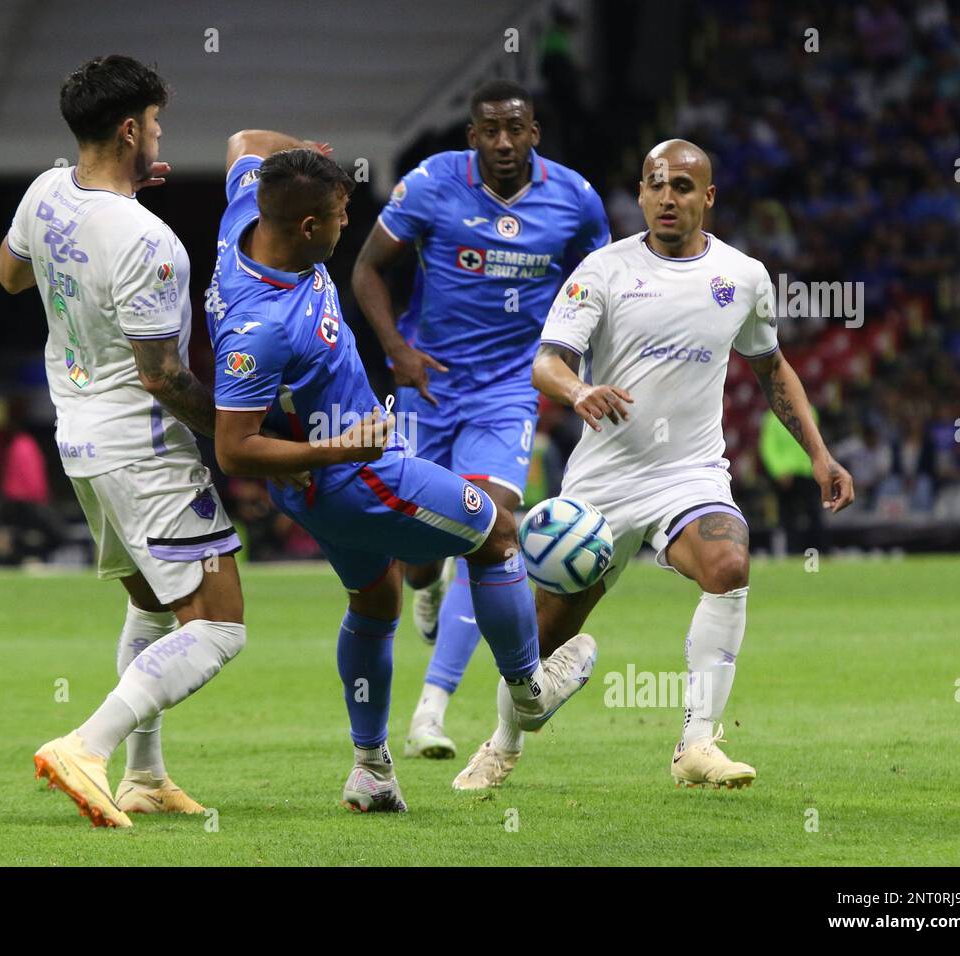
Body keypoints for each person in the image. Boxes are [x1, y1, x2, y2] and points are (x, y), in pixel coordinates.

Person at [207, 131, 598, 812]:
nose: (346, 223)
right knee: (498, 532)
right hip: (354, 476)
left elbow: (245, 140)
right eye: (336, 215)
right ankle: (529, 689)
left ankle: (372, 770)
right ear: (305, 227)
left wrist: (305, 153)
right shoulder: (263, 326)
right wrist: (339, 451)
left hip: (323, 483)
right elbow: (232, 450)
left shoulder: (248, 205)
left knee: (376, 601)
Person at [453, 139, 855, 791]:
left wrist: (818, 451)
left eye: (683, 187)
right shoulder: (601, 272)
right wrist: (580, 390)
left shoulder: (743, 277)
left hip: (689, 475)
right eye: (656, 185)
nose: (668, 197)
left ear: (708, 197)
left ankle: (698, 743)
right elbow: (546, 362)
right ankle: (503, 742)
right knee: (538, 644)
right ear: (640, 194)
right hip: (602, 485)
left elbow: (771, 367)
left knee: (728, 563)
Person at [0, 55, 247, 828]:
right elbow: (164, 377)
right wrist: (237, 440)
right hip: (142, 448)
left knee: (148, 604)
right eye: (157, 123)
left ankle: (143, 775)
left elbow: (10, 277)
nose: (161, 134)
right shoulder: (151, 240)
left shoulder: (44, 192)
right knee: (217, 625)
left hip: (78, 439)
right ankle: (88, 745)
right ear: (132, 129)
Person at [351, 80, 609, 760]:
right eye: (489, 130)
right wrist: (397, 351)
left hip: (508, 389)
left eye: (514, 129)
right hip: (428, 386)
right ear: (472, 136)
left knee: (490, 526)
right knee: (416, 558)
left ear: (535, 133)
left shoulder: (575, 200)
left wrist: (583, 371)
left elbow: (600, 286)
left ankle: (431, 710)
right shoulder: (432, 184)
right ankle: (427, 583)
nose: (502, 141)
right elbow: (367, 269)